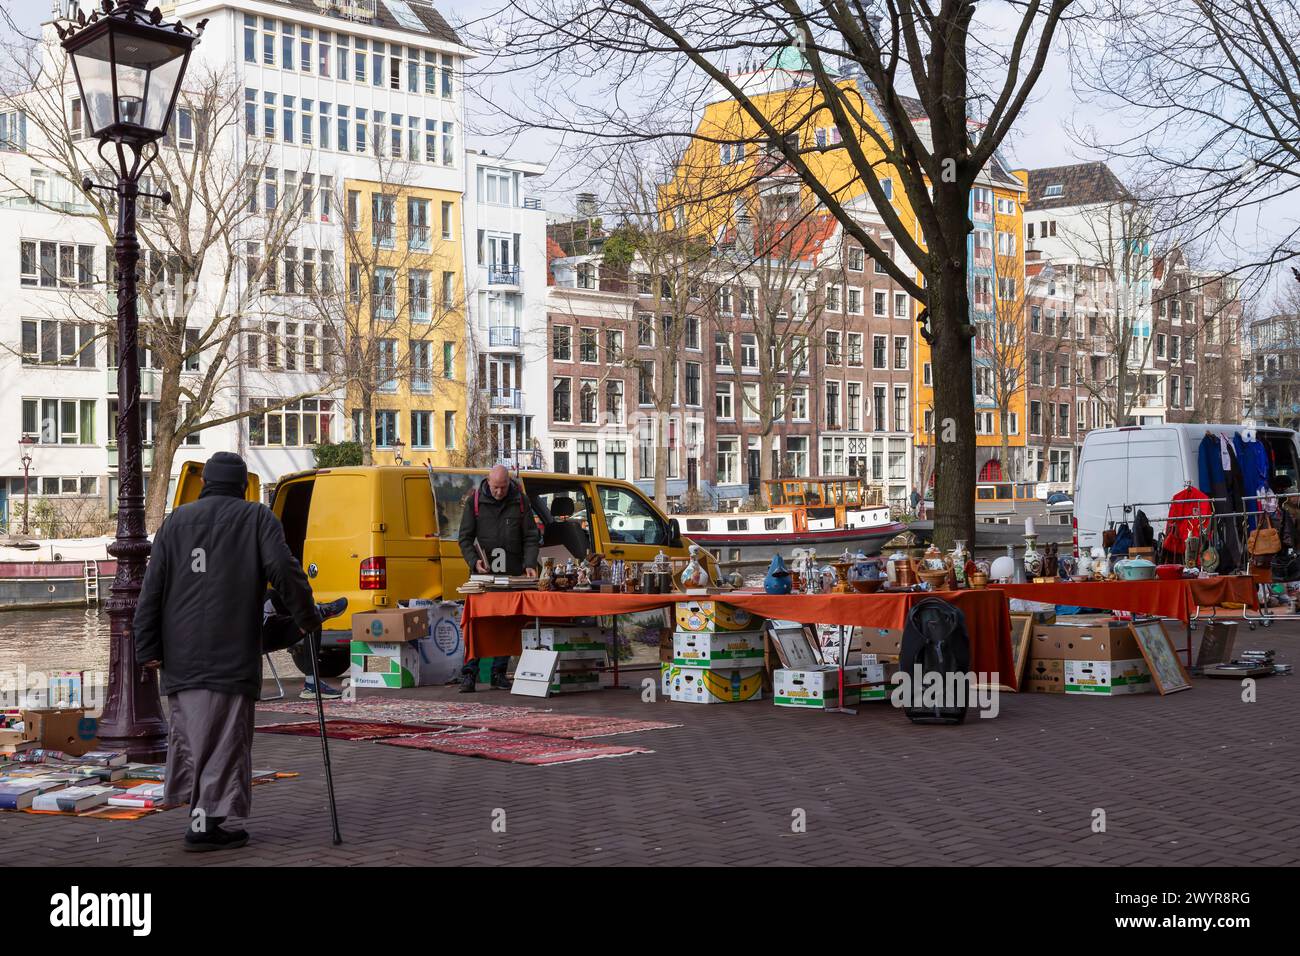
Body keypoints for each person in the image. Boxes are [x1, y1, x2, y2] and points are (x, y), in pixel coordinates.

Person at [134, 452, 340, 852]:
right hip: (230, 651)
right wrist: (307, 616)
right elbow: (285, 570)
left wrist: (147, 647)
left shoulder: (176, 522)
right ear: (242, 485)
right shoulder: (257, 518)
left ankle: (201, 820)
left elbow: (151, 591)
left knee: (193, 739)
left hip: (181, 654)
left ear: (206, 482)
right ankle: (204, 827)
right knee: (224, 739)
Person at [457, 465, 539, 692]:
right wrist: (474, 561)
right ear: (488, 482)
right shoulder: (475, 501)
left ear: (509, 483)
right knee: (477, 625)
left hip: (511, 575)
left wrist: (530, 564)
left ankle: (499, 673)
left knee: (506, 623)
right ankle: (469, 674)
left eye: (503, 488)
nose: (499, 492)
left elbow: (531, 537)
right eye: (495, 488)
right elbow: (464, 538)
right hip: (482, 576)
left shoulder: (520, 501)